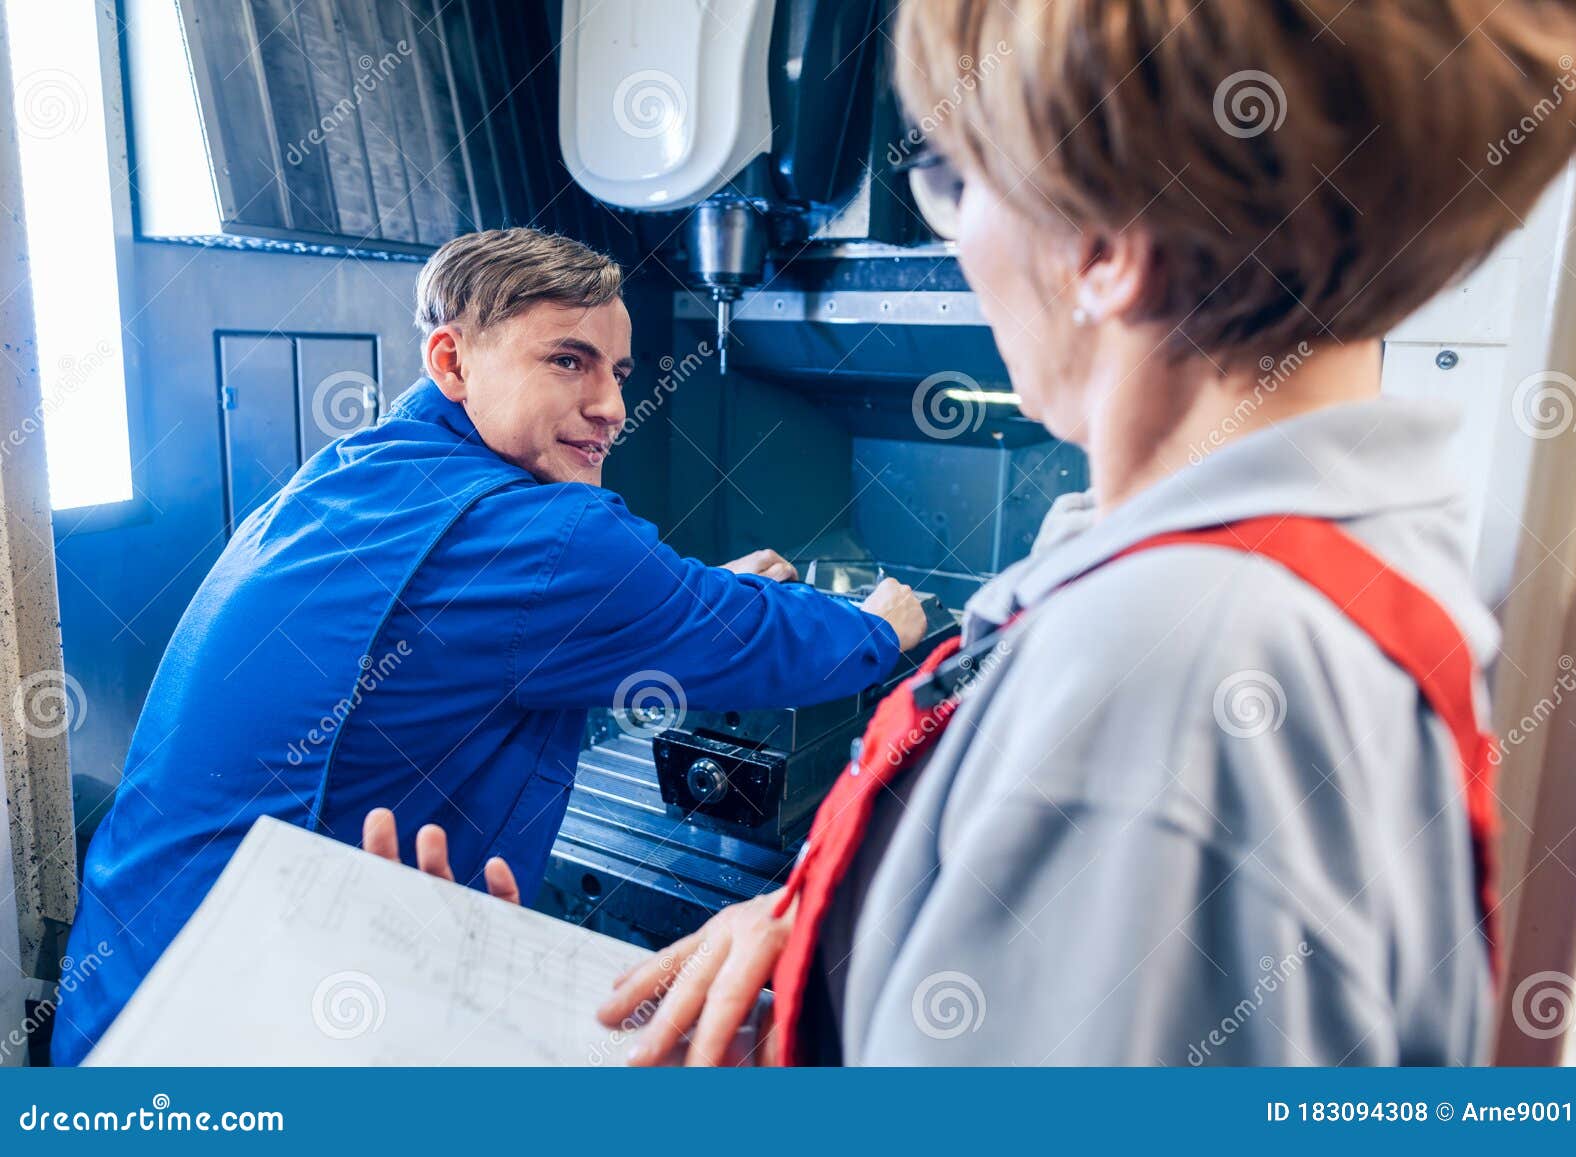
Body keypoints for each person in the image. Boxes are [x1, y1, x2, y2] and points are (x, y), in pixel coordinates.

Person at [372, 0, 1576, 1065]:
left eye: (954, 180)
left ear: (1106, 250)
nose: (954, 233)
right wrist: (830, 940)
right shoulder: (1291, 577)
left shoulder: (1164, 666)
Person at [52, 227, 927, 1065]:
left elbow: (500, 619)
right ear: (452, 360)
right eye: (567, 360)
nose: (612, 406)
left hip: (120, 1006)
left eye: (620, 371)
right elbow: (762, 637)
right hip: (243, 1043)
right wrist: (881, 625)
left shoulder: (352, 472)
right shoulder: (549, 538)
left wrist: (666, 600)